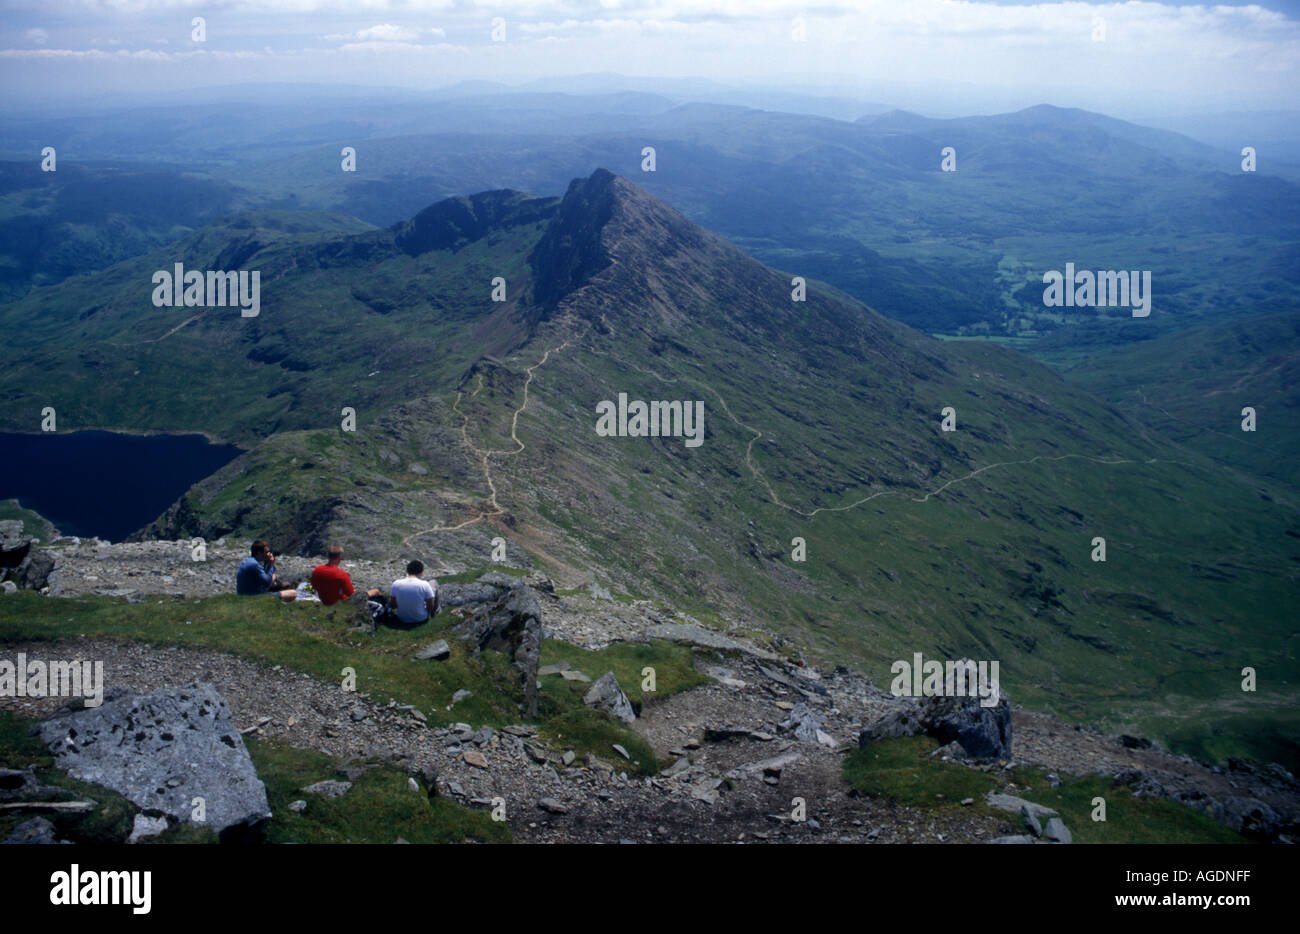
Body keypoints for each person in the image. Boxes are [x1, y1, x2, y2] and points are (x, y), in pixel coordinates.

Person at [310, 544, 380, 607]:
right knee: (375, 591)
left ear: (327, 555)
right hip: (338, 604)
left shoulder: (317, 570)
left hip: (322, 600)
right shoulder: (342, 574)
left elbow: (313, 586)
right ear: (340, 557)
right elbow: (352, 596)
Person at [385, 559, 440, 627]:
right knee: (433, 582)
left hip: (401, 618)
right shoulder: (424, 584)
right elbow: (430, 606)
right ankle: (436, 613)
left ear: (407, 571)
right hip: (421, 618)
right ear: (421, 571)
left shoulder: (396, 583)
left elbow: (393, 605)